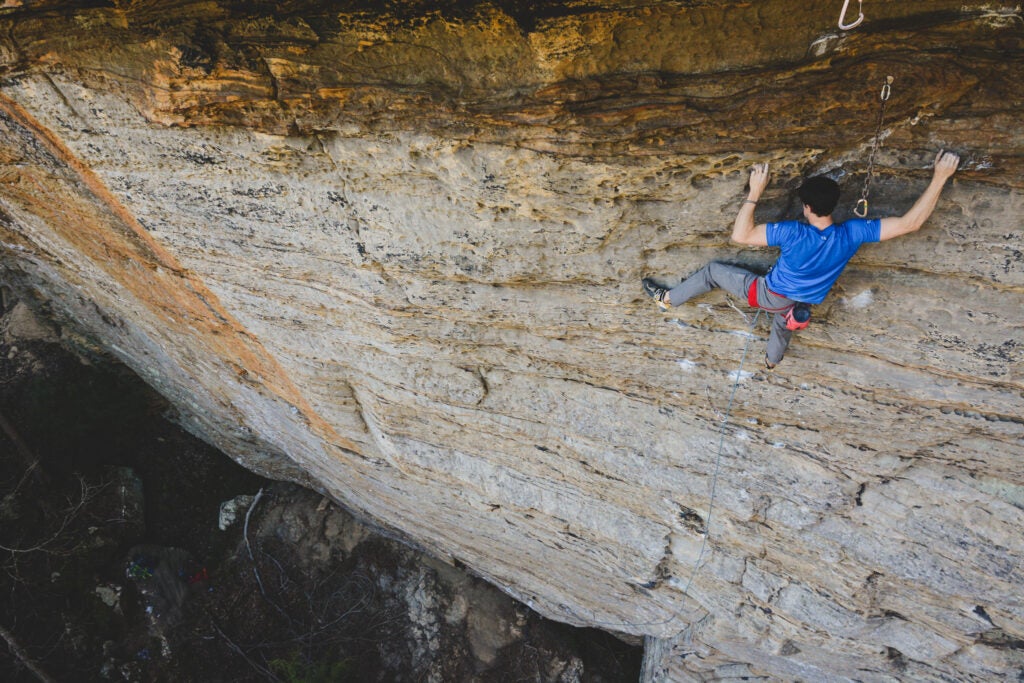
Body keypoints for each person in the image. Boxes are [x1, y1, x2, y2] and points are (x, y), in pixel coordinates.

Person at [642, 150, 961, 369]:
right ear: (835, 205)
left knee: (713, 271)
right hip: (801, 304)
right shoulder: (853, 233)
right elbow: (909, 224)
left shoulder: (794, 233)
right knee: (782, 327)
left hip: (768, 295)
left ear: (806, 207)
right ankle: (771, 363)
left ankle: (668, 299)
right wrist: (941, 177)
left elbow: (741, 235)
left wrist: (755, 191)